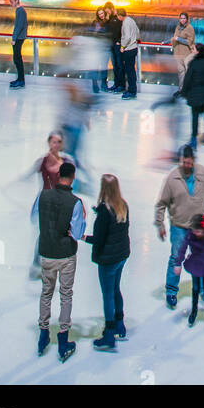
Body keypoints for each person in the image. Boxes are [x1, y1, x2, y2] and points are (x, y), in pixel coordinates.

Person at [155, 144, 204, 311]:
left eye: (190, 163)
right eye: (184, 162)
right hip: (179, 226)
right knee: (176, 258)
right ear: (180, 161)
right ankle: (171, 291)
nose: (187, 166)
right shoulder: (172, 178)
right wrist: (160, 224)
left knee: (202, 258)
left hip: (199, 227)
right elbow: (161, 203)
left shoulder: (203, 174)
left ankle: (203, 290)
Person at [37, 160, 86, 362]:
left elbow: (35, 215)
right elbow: (77, 232)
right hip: (65, 255)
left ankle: (42, 335)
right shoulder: (75, 202)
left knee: (46, 293)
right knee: (65, 295)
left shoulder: (43, 196)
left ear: (58, 175)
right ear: (72, 177)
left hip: (46, 252)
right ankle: (63, 339)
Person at [85, 173, 131, 350]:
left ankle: (109, 334)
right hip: (121, 255)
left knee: (107, 294)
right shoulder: (123, 205)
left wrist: (83, 237)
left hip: (108, 259)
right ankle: (120, 326)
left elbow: (99, 239)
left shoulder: (105, 210)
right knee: (115, 289)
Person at [25, 131, 71, 276]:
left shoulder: (67, 162)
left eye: (59, 142)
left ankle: (47, 264)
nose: (56, 144)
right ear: (49, 143)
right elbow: (29, 174)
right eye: (54, 141)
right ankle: (38, 264)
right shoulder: (43, 161)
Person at [180, 43, 204, 150]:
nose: (192, 50)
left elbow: (188, 79)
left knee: (195, 117)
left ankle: (193, 140)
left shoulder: (193, 63)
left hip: (196, 94)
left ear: (198, 51)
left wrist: (184, 92)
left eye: (194, 49)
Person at [170, 12, 196, 97]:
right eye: (181, 18)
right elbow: (174, 37)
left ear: (187, 19)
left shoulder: (190, 28)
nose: (182, 20)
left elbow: (189, 41)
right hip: (178, 53)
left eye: (184, 18)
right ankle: (181, 90)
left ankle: (189, 91)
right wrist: (168, 41)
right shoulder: (178, 27)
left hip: (187, 53)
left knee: (188, 73)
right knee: (181, 72)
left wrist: (179, 39)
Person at [117, 8, 139, 100]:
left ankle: (131, 91)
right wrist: (136, 40)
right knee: (131, 71)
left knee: (129, 71)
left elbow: (127, 37)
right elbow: (137, 32)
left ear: (119, 16)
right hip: (134, 47)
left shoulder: (125, 23)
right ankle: (132, 89)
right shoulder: (131, 20)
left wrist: (122, 46)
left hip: (129, 49)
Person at [9, 0, 27, 89]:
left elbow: (19, 26)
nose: (11, 4)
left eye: (12, 2)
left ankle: (21, 80)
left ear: (17, 1)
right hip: (19, 37)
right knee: (17, 59)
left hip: (19, 38)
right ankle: (19, 79)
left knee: (17, 59)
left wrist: (14, 38)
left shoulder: (21, 11)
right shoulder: (19, 10)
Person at [105, 6, 125, 93]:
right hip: (111, 45)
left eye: (108, 11)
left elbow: (123, 31)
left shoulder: (118, 19)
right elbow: (107, 31)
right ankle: (116, 84)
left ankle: (121, 85)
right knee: (115, 66)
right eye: (106, 12)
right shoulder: (109, 20)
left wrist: (120, 41)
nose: (107, 13)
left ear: (112, 9)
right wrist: (107, 19)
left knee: (120, 65)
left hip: (118, 46)